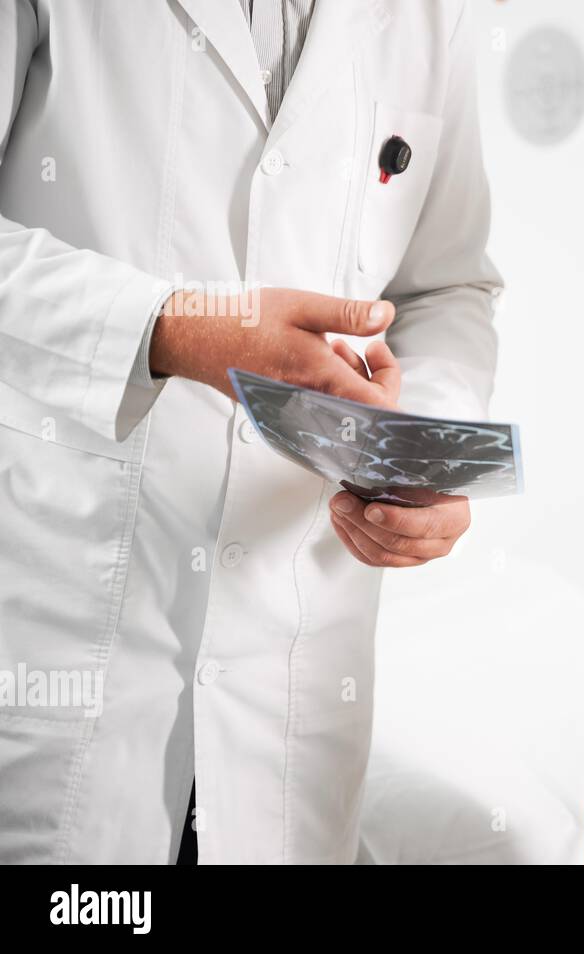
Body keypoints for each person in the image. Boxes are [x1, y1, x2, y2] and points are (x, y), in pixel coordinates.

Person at [0, 0, 501, 863]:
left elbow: (446, 287)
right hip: (67, 600)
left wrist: (425, 450)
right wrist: (176, 328)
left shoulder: (426, 15)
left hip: (299, 635)